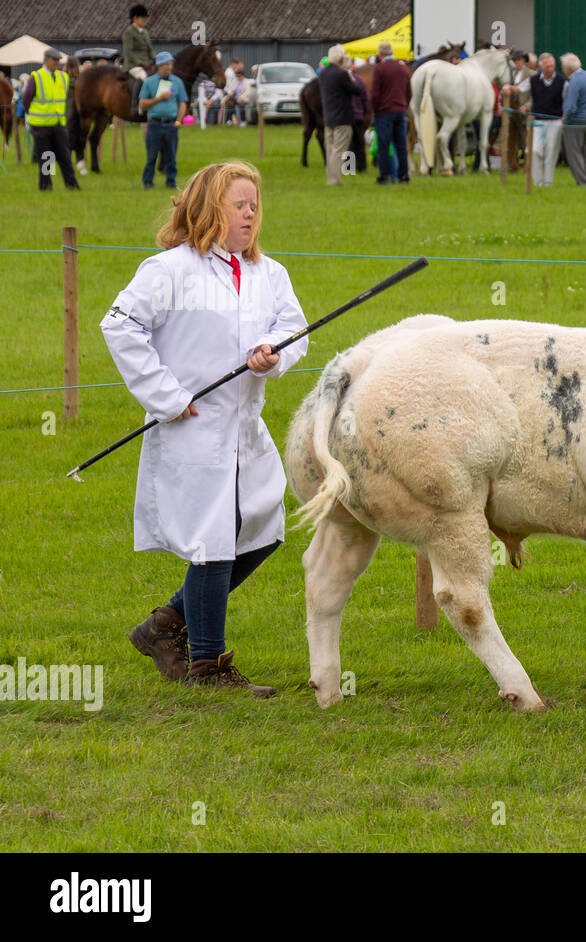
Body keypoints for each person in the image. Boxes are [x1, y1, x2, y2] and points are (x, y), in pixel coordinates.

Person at [102, 160, 309, 697]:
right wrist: (167, 397)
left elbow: (293, 327)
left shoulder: (269, 273)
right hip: (190, 429)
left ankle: (164, 624)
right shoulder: (169, 270)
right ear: (208, 208)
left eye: (254, 204)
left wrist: (273, 355)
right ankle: (207, 667)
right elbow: (120, 326)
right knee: (213, 543)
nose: (250, 213)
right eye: (238, 204)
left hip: (244, 425)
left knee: (263, 530)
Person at [23, 49, 79, 191]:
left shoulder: (63, 77)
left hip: (58, 123)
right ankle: (46, 186)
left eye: (58, 61)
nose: (57, 63)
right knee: (47, 157)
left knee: (65, 156)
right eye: (54, 60)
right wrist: (31, 116)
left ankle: (72, 185)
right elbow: (26, 99)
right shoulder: (37, 76)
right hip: (41, 125)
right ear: (46, 60)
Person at [138, 50, 187, 189]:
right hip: (155, 124)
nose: (169, 67)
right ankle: (147, 181)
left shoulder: (177, 82)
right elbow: (142, 103)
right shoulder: (149, 82)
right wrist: (158, 99)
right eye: (166, 64)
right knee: (152, 155)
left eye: (171, 64)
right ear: (159, 65)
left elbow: (182, 102)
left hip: (171, 124)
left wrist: (178, 120)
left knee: (171, 156)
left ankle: (171, 181)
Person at [516, 52, 565, 186]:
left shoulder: (562, 82)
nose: (551, 68)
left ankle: (548, 182)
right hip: (537, 121)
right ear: (541, 67)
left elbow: (568, 100)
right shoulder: (533, 80)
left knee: (551, 152)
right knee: (534, 150)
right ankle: (538, 182)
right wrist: (509, 89)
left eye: (552, 66)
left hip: (555, 122)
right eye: (547, 66)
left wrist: (565, 116)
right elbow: (519, 89)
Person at [560, 52, 586, 186]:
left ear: (568, 69)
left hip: (577, 121)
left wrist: (566, 119)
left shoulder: (575, 80)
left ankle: (583, 182)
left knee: (574, 153)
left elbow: (571, 105)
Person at [320, 45, 361, 185]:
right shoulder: (342, 74)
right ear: (342, 58)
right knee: (339, 151)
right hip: (343, 117)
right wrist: (352, 77)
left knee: (330, 149)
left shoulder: (323, 73)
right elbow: (357, 90)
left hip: (328, 117)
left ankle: (330, 177)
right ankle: (334, 180)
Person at [372, 40, 410, 184]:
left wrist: (375, 109)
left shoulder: (380, 69)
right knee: (401, 145)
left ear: (380, 54)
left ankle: (385, 175)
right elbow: (408, 91)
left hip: (384, 111)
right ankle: (403, 175)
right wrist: (404, 105)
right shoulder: (403, 68)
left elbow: (375, 93)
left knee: (384, 144)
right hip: (400, 110)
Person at [503, 49, 534, 171]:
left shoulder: (532, 74)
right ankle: (513, 166)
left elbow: (534, 96)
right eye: (515, 60)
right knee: (510, 139)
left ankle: (528, 166)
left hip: (525, 111)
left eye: (519, 60)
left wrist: (527, 106)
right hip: (511, 110)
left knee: (527, 140)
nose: (517, 62)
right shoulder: (510, 74)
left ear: (524, 60)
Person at [122, 4, 154, 119]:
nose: (145, 20)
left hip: (145, 64)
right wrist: (140, 63)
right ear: (135, 18)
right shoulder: (128, 32)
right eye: (142, 17)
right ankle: (136, 106)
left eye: (145, 17)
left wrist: (156, 60)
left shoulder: (144, 32)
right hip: (132, 64)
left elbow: (150, 49)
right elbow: (129, 51)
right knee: (144, 77)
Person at [348, 58, 369, 173]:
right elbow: (365, 97)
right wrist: (364, 110)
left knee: (349, 143)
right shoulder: (359, 80)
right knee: (360, 141)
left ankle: (349, 168)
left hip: (346, 115)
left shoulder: (342, 80)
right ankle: (362, 166)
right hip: (359, 115)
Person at [222, 61, 251, 126]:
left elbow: (248, 92)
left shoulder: (246, 82)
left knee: (241, 104)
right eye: (237, 76)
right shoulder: (235, 81)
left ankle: (243, 121)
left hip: (243, 99)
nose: (238, 78)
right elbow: (231, 90)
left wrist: (241, 98)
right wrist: (227, 98)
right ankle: (229, 120)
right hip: (235, 99)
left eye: (239, 76)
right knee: (229, 103)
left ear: (242, 75)